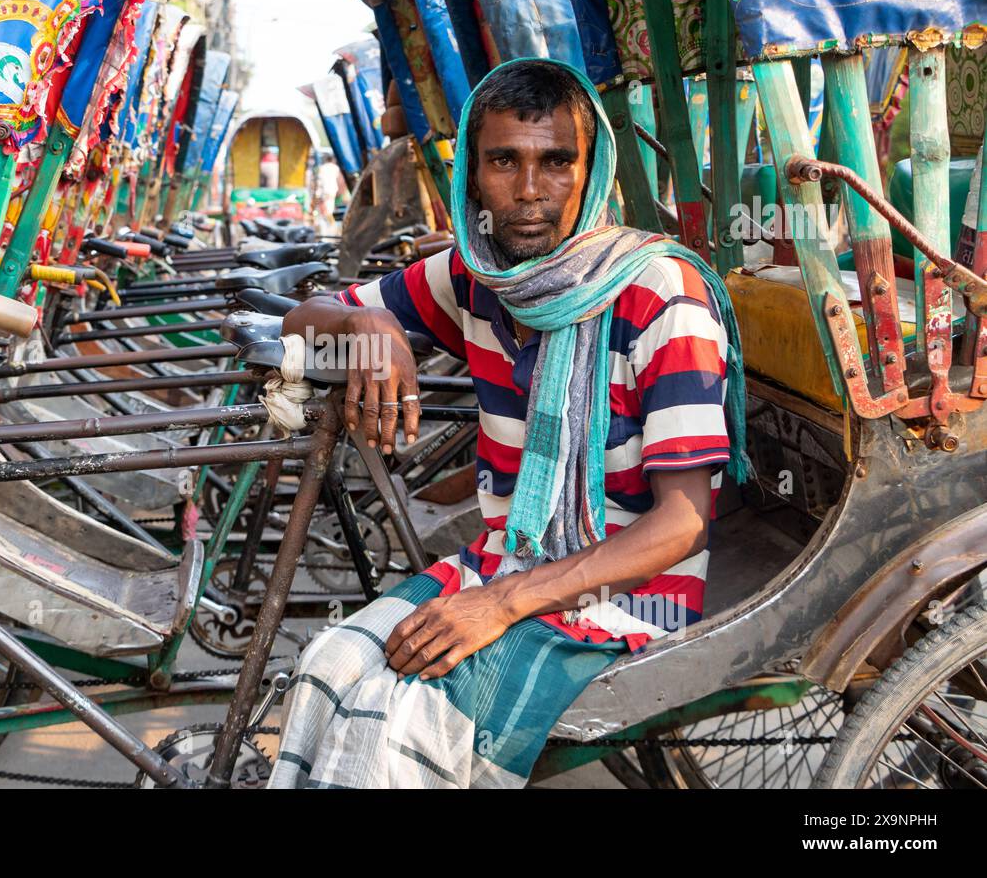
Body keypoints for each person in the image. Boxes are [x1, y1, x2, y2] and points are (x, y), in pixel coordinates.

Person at [267, 58, 748, 789]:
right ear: (472, 178)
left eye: (557, 162)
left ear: (592, 172)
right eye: (504, 162)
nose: (529, 193)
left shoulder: (660, 293)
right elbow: (305, 321)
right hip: (505, 558)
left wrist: (499, 605)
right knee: (329, 664)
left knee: (400, 725)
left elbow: (682, 525)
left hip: (631, 590)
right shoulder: (478, 277)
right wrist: (370, 323)